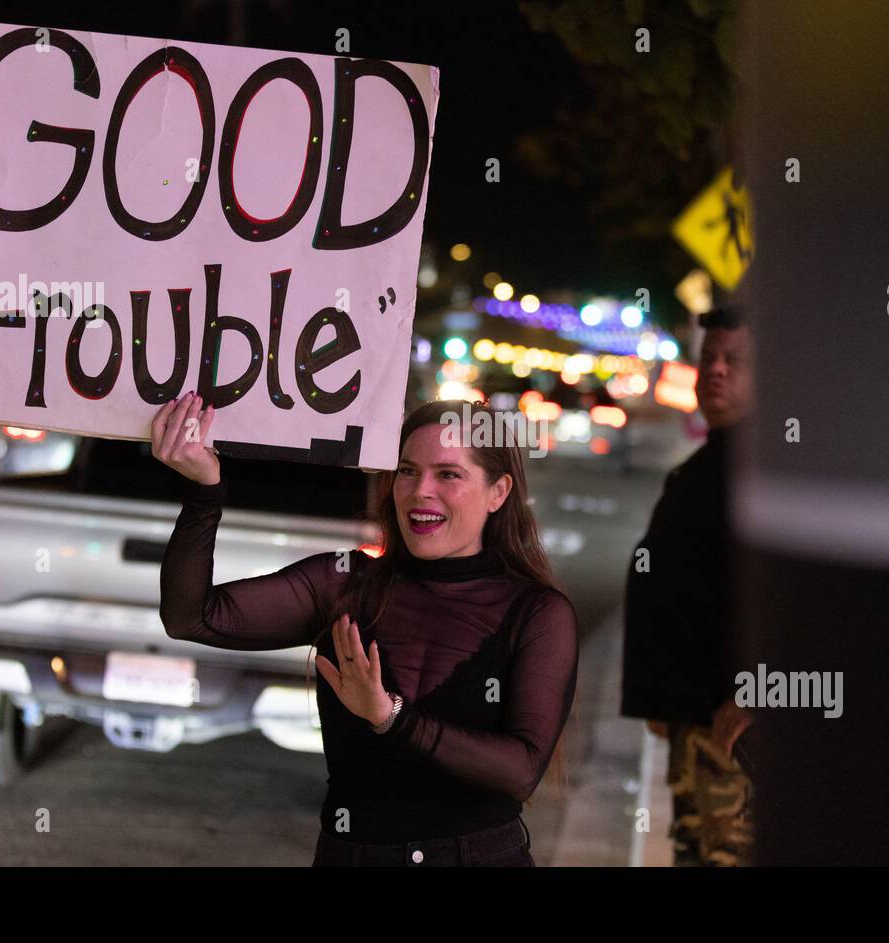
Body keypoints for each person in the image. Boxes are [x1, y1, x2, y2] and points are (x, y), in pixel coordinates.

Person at [153, 395, 579, 866]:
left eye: (448, 474)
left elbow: (522, 771)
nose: (420, 491)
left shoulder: (536, 611)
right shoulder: (343, 584)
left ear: (498, 492)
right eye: (407, 470)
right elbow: (190, 616)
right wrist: (203, 491)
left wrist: (391, 717)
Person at [619, 306, 757, 866]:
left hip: (732, 732)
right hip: (694, 721)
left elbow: (806, 606)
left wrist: (766, 693)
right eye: (709, 358)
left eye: (736, 360)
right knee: (696, 854)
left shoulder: (766, 471)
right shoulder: (711, 465)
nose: (716, 370)